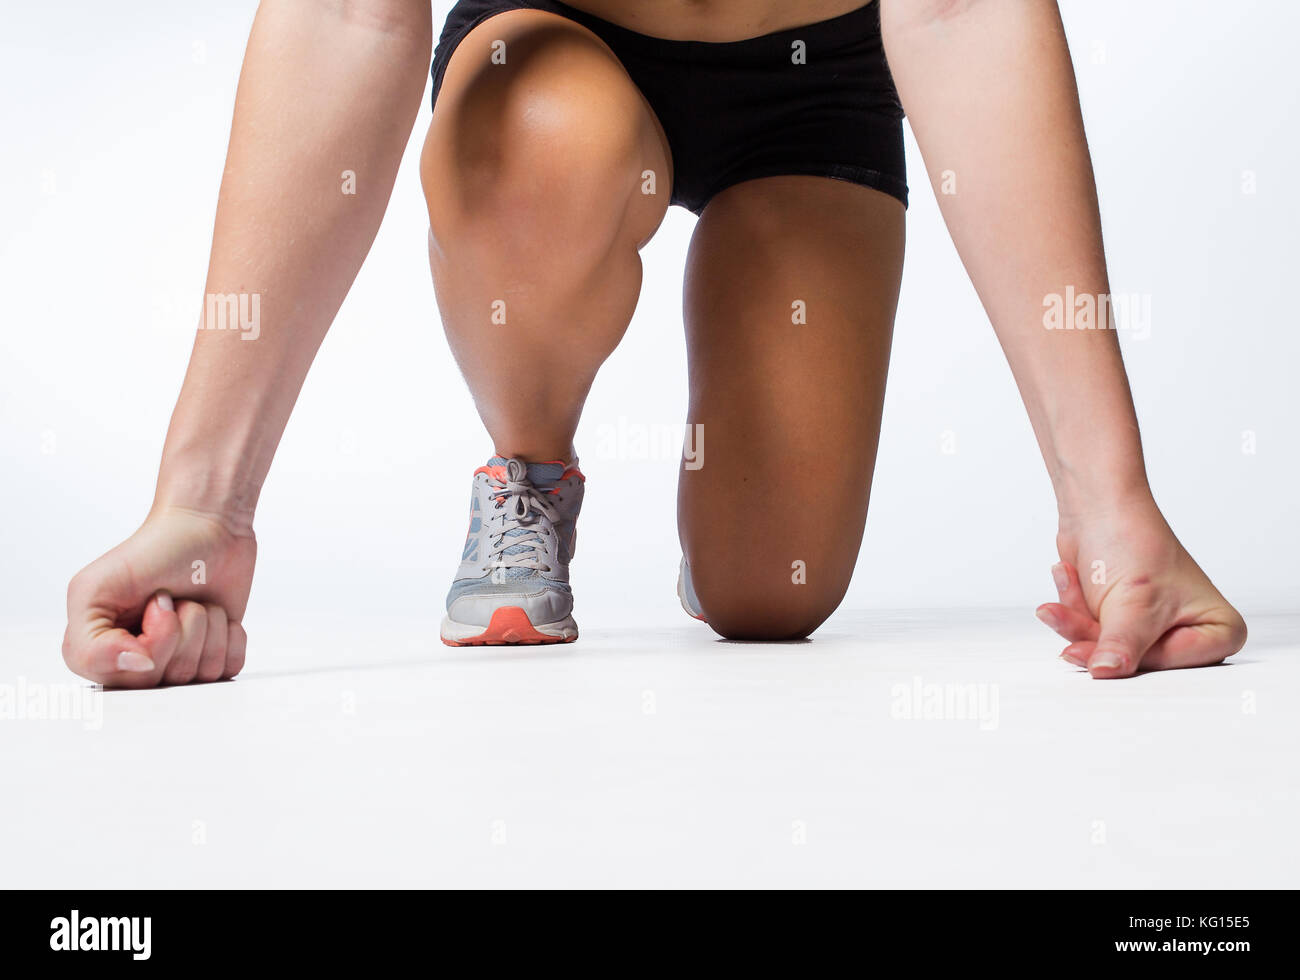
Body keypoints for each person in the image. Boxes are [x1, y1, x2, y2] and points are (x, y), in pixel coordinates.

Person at [61, 0, 1246, 686]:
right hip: (549, 52)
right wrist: (204, 504)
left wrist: (1109, 501)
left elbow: (962, 9)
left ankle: (735, 482)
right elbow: (344, 13)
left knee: (770, 592)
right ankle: (527, 473)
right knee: (543, 142)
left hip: (815, 76)